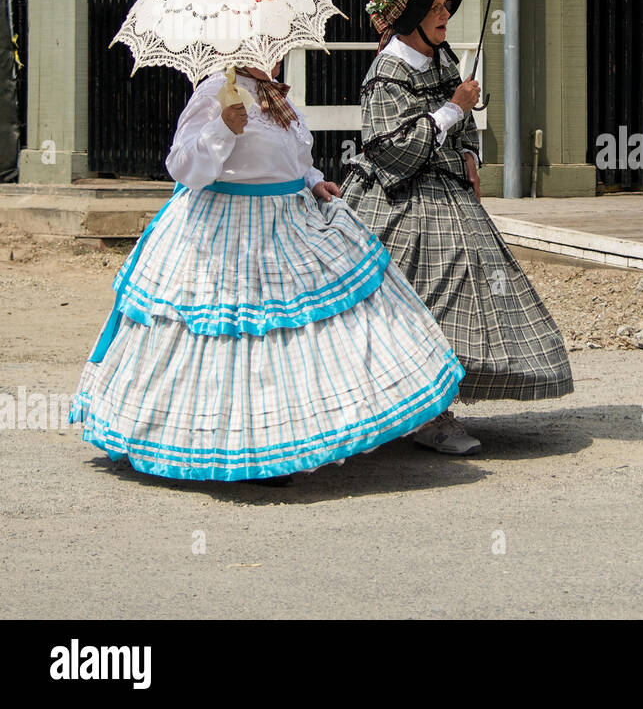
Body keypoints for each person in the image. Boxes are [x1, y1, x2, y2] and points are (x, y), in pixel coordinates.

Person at [70, 60, 466, 482]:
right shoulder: (213, 92)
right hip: (226, 231)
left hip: (286, 221)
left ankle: (285, 441)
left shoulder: (277, 95)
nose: (273, 55)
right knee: (239, 339)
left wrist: (313, 181)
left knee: (288, 339)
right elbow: (184, 167)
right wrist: (223, 127)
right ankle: (231, 449)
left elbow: (293, 159)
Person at [341, 0, 573, 455]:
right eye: (436, 7)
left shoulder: (442, 58)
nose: (445, 14)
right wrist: (452, 110)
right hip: (397, 201)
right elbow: (388, 146)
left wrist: (467, 148)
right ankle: (414, 414)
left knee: (470, 291)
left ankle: (435, 407)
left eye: (447, 5)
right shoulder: (387, 73)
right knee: (409, 298)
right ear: (410, 18)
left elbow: (461, 125)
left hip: (447, 193)